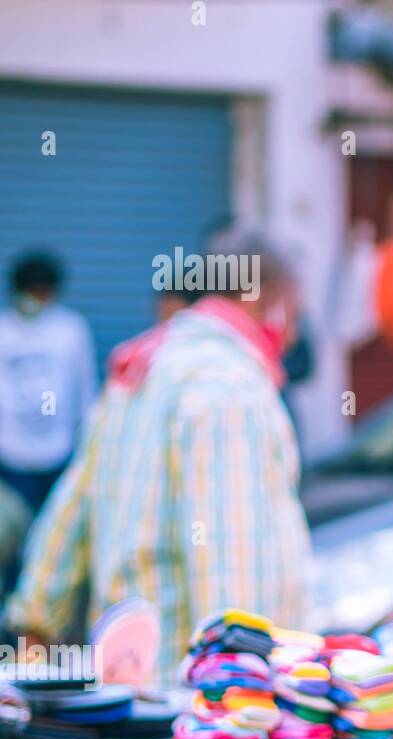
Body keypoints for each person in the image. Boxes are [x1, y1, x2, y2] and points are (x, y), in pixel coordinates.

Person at [3, 228, 312, 686]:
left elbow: (69, 515)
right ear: (271, 302)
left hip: (126, 698)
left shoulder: (139, 369)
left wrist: (35, 624)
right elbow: (234, 571)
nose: (294, 334)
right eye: (297, 315)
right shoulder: (229, 387)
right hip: (195, 711)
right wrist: (242, 710)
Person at [0, 251, 98, 514]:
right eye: (35, 291)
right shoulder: (3, 330)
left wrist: (86, 443)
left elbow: (86, 389)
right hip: (10, 456)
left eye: (46, 292)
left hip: (60, 453)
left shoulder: (71, 329)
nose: (41, 299)